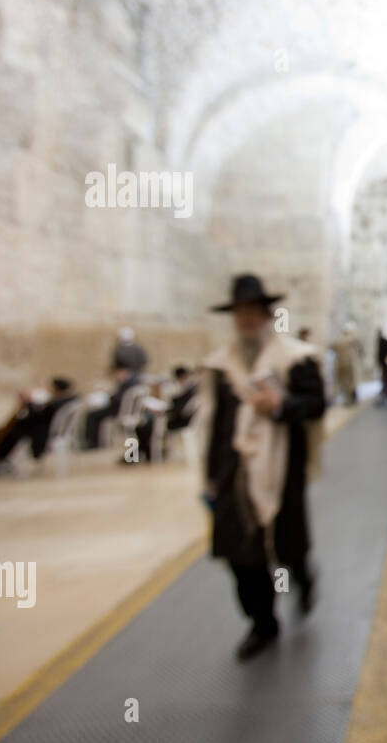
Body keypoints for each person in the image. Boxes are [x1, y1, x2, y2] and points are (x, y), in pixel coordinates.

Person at [202, 274, 326, 660]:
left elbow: (316, 405)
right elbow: (216, 423)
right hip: (233, 471)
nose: (246, 320)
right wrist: (210, 475)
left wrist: (281, 406)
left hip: (281, 466)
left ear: (266, 314)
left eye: (253, 312)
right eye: (240, 313)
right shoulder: (222, 367)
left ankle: (303, 578)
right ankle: (262, 622)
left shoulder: (296, 359)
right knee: (240, 552)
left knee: (287, 544)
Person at [0, 378, 78, 476]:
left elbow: (40, 415)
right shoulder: (69, 399)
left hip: (42, 433)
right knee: (1, 434)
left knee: (7, 435)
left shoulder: (61, 401)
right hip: (41, 430)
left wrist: (29, 403)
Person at [134, 366, 199, 463]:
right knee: (144, 427)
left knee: (143, 427)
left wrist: (163, 410)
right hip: (178, 419)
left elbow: (178, 409)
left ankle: (141, 454)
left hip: (179, 422)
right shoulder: (191, 389)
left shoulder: (191, 390)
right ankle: (142, 454)